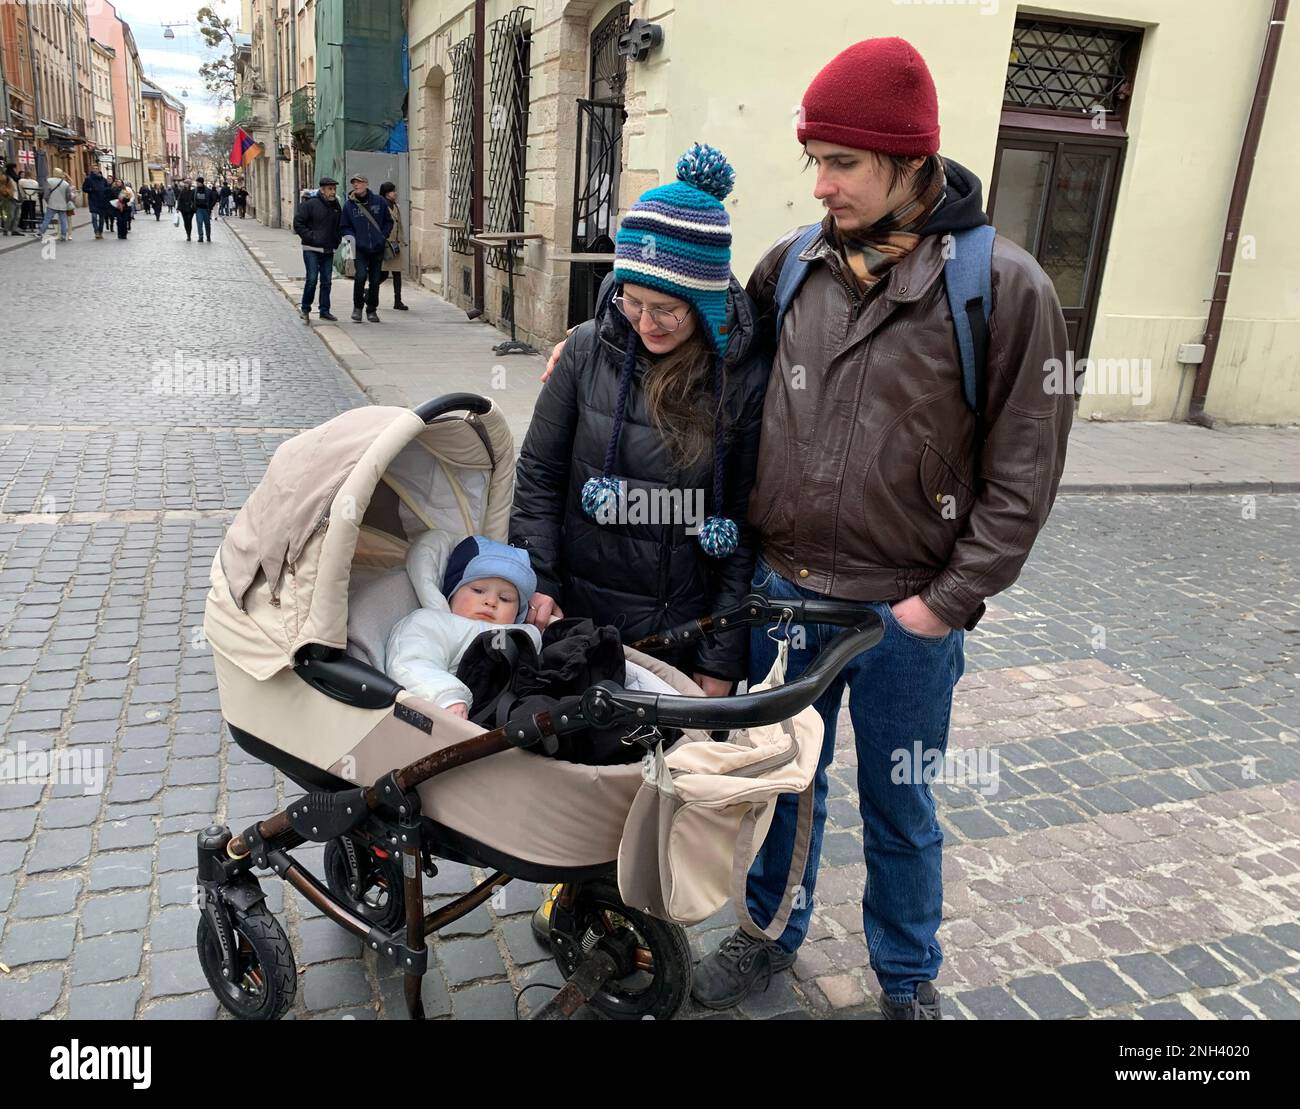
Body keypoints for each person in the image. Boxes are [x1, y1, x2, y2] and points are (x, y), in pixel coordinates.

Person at [543, 40, 1074, 1020]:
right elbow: (701, 359)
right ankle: (762, 937)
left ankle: (906, 977)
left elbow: (1024, 477)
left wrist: (940, 606)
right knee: (785, 786)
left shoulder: (1001, 288)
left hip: (901, 611)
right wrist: (587, 354)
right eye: (813, 159)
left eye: (843, 162)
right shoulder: (790, 269)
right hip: (782, 591)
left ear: (909, 162)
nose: (820, 182)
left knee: (900, 805)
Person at [385, 535, 541, 718]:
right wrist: (448, 696)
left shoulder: (527, 634)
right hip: (464, 713)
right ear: (453, 591)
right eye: (478, 590)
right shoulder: (433, 624)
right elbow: (411, 662)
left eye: (505, 598)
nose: (491, 602)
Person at [338, 173, 392, 323]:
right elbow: (344, 226)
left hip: (377, 247)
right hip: (360, 249)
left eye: (359, 183)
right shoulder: (349, 205)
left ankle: (372, 310)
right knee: (360, 276)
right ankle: (357, 307)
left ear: (366, 184)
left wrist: (383, 236)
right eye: (354, 183)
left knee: (375, 280)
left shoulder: (379, 201)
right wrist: (353, 239)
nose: (356, 185)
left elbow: (389, 222)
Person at [292, 176, 342, 322]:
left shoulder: (336, 205)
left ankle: (324, 310)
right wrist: (311, 237)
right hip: (311, 248)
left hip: (328, 249)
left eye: (334, 189)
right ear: (322, 190)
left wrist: (336, 239)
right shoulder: (310, 204)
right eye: (329, 189)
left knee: (326, 281)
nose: (332, 192)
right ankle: (305, 309)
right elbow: (298, 223)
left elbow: (339, 224)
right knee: (312, 279)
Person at [376, 181, 409, 310]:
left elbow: (399, 225)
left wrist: (402, 240)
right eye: (392, 191)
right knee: (383, 274)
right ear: (386, 193)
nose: (395, 193)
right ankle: (369, 290)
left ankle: (398, 301)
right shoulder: (381, 205)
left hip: (396, 244)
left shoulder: (395, 205)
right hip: (386, 244)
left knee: (397, 273)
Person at [36, 169, 74, 241]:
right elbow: (68, 196)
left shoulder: (49, 181)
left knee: (47, 219)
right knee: (63, 220)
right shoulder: (66, 184)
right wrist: (66, 202)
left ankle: (41, 233)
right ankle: (63, 235)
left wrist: (47, 200)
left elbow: (46, 193)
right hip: (62, 205)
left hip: (52, 203)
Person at [82, 165, 111, 239]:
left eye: (96, 169)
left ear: (98, 170)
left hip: (102, 201)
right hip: (93, 200)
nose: (95, 170)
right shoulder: (88, 179)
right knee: (94, 217)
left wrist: (105, 191)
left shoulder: (103, 179)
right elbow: (84, 188)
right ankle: (96, 232)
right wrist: (91, 190)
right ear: (92, 170)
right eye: (94, 169)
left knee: (101, 218)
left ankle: (100, 232)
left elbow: (107, 188)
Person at [191, 176, 217, 242]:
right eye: (196, 182)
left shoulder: (208, 191)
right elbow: (191, 199)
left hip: (206, 209)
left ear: (201, 183)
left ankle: (208, 236)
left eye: (198, 182)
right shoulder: (194, 190)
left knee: (207, 223)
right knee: (199, 223)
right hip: (198, 209)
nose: (197, 184)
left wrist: (210, 207)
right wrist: (194, 206)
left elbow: (213, 200)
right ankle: (201, 237)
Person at [0, 163, 20, 236]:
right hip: (9, 198)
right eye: (14, 168)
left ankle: (14, 229)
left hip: (16, 197)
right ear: (11, 168)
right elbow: (2, 187)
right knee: (10, 215)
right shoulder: (5, 177)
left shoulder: (15, 177)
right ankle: (6, 229)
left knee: (17, 215)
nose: (15, 170)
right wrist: (7, 194)